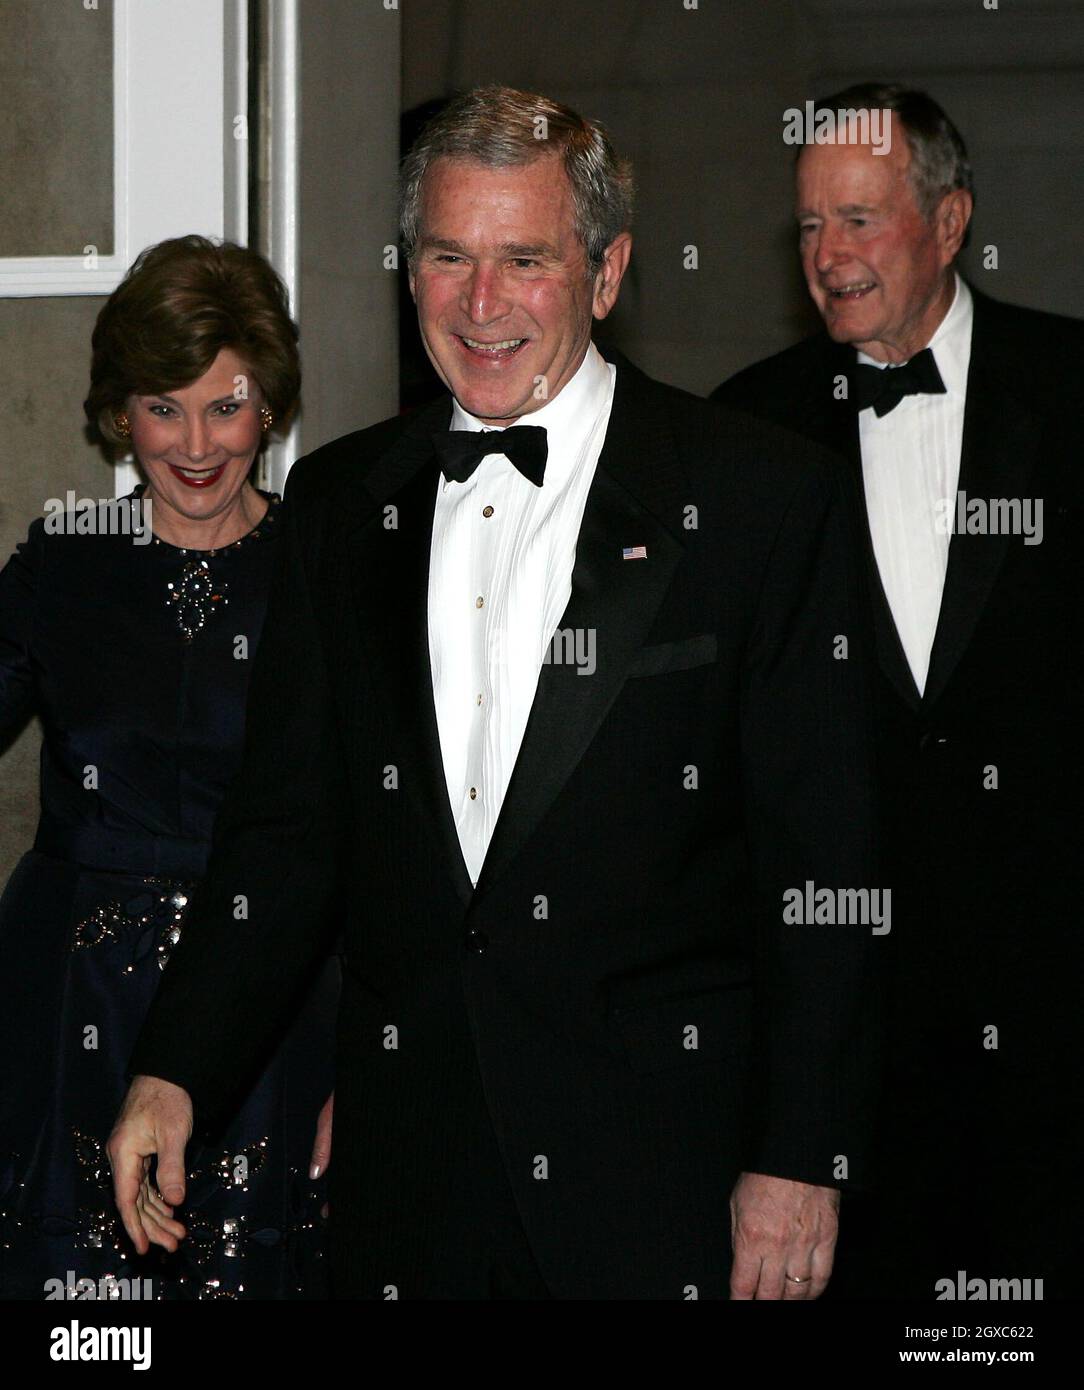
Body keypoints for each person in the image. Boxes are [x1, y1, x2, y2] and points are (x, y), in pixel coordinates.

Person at [110, 87, 879, 1301]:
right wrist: (175, 1069)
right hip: (409, 1171)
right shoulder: (341, 503)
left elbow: (824, 862)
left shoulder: (756, 501)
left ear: (608, 270)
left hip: (660, 1173)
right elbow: (285, 836)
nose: (481, 304)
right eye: (448, 257)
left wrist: (799, 1158)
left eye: (524, 259)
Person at [713, 84, 1083, 1298]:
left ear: (949, 220)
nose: (830, 256)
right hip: (839, 1041)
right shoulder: (747, 434)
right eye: (810, 228)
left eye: (860, 220)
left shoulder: (1072, 389)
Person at [0, 235, 337, 1300]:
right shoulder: (67, 558)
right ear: (119, 413)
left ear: (269, 407)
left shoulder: (322, 575)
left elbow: (380, 832)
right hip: (66, 1006)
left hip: (268, 1009)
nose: (196, 445)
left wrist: (368, 1055)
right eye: (163, 407)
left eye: (226, 408)